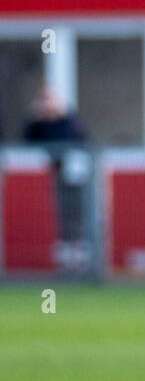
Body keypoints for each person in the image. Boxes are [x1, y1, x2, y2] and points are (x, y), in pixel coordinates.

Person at [22, 84, 92, 272]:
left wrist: (59, 116)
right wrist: (36, 119)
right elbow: (28, 140)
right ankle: (66, 260)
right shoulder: (40, 124)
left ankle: (82, 259)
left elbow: (76, 138)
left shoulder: (69, 121)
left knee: (77, 214)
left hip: (77, 177)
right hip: (58, 174)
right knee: (63, 215)